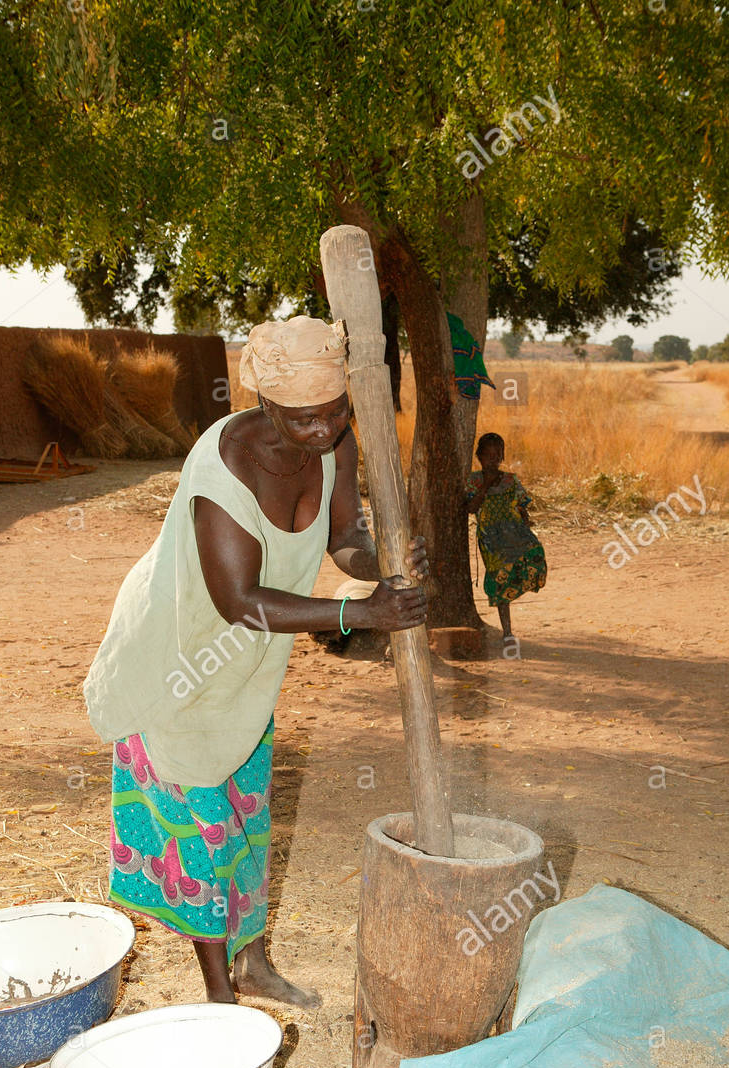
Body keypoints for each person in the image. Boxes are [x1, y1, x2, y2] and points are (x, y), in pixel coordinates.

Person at [83, 315, 428, 1010]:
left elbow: (345, 537)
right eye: (304, 417)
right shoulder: (225, 467)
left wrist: (379, 571)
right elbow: (238, 600)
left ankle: (255, 963)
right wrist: (359, 615)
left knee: (247, 816)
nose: (322, 429)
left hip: (245, 666)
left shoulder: (334, 441)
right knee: (204, 830)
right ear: (262, 403)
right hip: (177, 658)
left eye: (335, 412)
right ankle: (221, 997)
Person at [465, 432, 546, 642]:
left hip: (514, 532)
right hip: (491, 538)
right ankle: (507, 631)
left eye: (497, 455)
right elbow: (471, 508)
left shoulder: (510, 480)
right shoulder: (474, 481)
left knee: (535, 553)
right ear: (479, 457)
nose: (493, 459)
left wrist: (525, 523)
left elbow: (522, 506)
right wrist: (485, 486)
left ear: (502, 456)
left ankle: (519, 587)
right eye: (488, 455)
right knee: (500, 580)